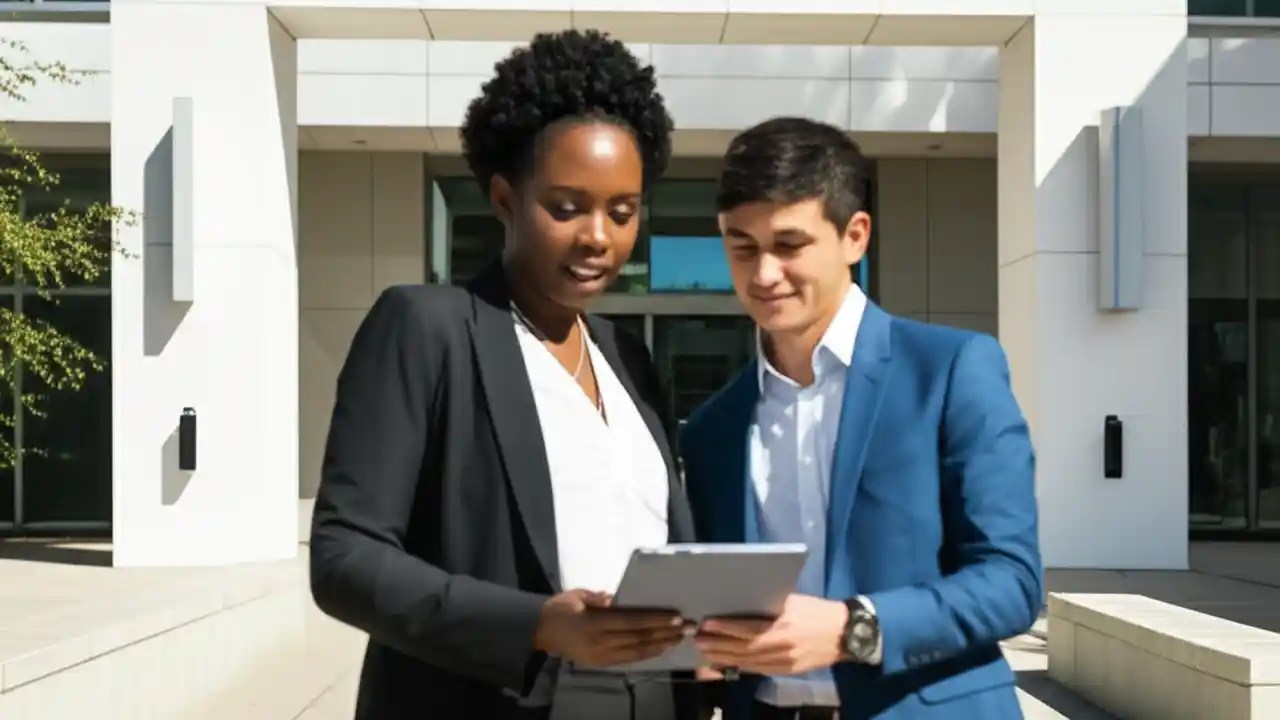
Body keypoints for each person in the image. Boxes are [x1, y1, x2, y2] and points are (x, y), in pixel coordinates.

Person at [309, 29, 702, 720]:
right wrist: (536, 624)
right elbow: (345, 559)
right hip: (494, 696)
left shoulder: (626, 357)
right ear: (503, 198)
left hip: (651, 698)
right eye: (567, 205)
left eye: (622, 211)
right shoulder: (427, 329)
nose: (598, 237)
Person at [679, 117, 1043, 720]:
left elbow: (1012, 582)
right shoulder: (714, 427)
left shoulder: (951, 371)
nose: (763, 274)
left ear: (855, 236)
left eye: (789, 245)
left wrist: (854, 628)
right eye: (742, 246)